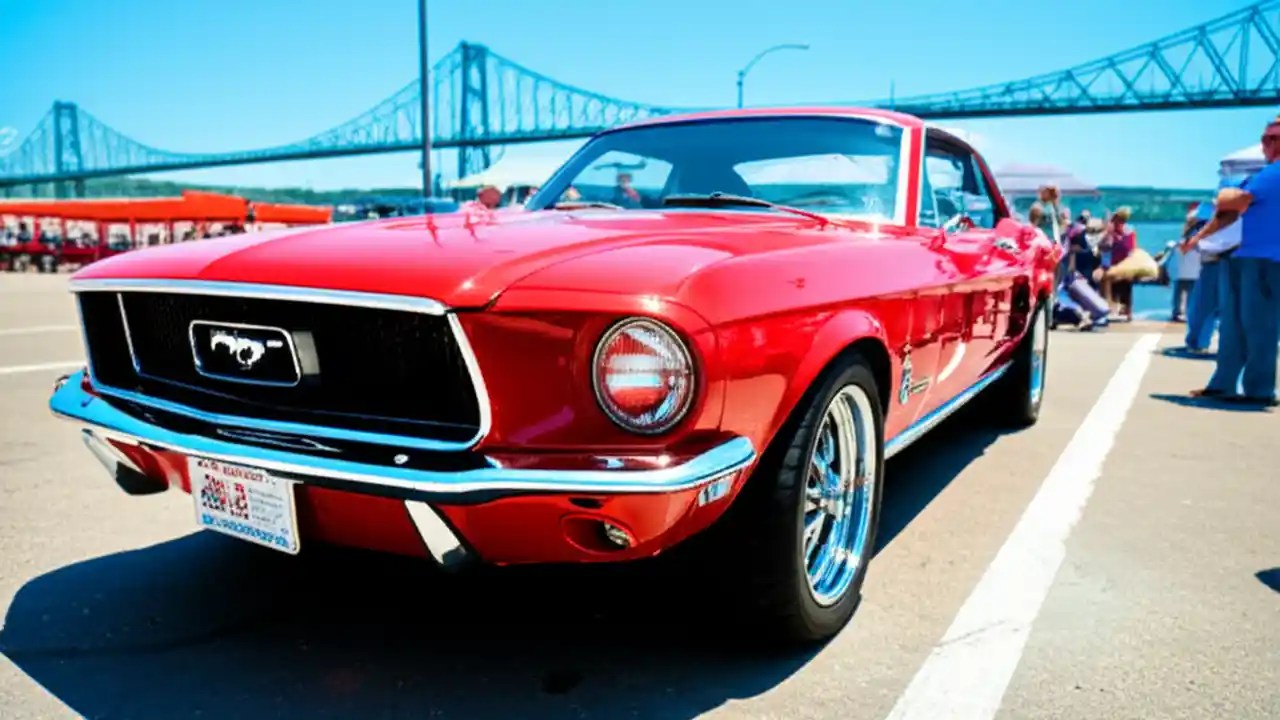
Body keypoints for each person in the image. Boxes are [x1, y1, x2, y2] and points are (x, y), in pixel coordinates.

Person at [1183, 115, 1280, 406]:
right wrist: (1198, 238)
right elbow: (1229, 212)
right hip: (1244, 255)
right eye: (1265, 138)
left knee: (1259, 326)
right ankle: (1223, 383)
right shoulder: (1264, 173)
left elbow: (1232, 201)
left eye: (1273, 138)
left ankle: (1260, 390)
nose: (1266, 144)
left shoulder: (1273, 174)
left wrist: (1223, 195)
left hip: (1266, 259)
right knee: (1234, 324)